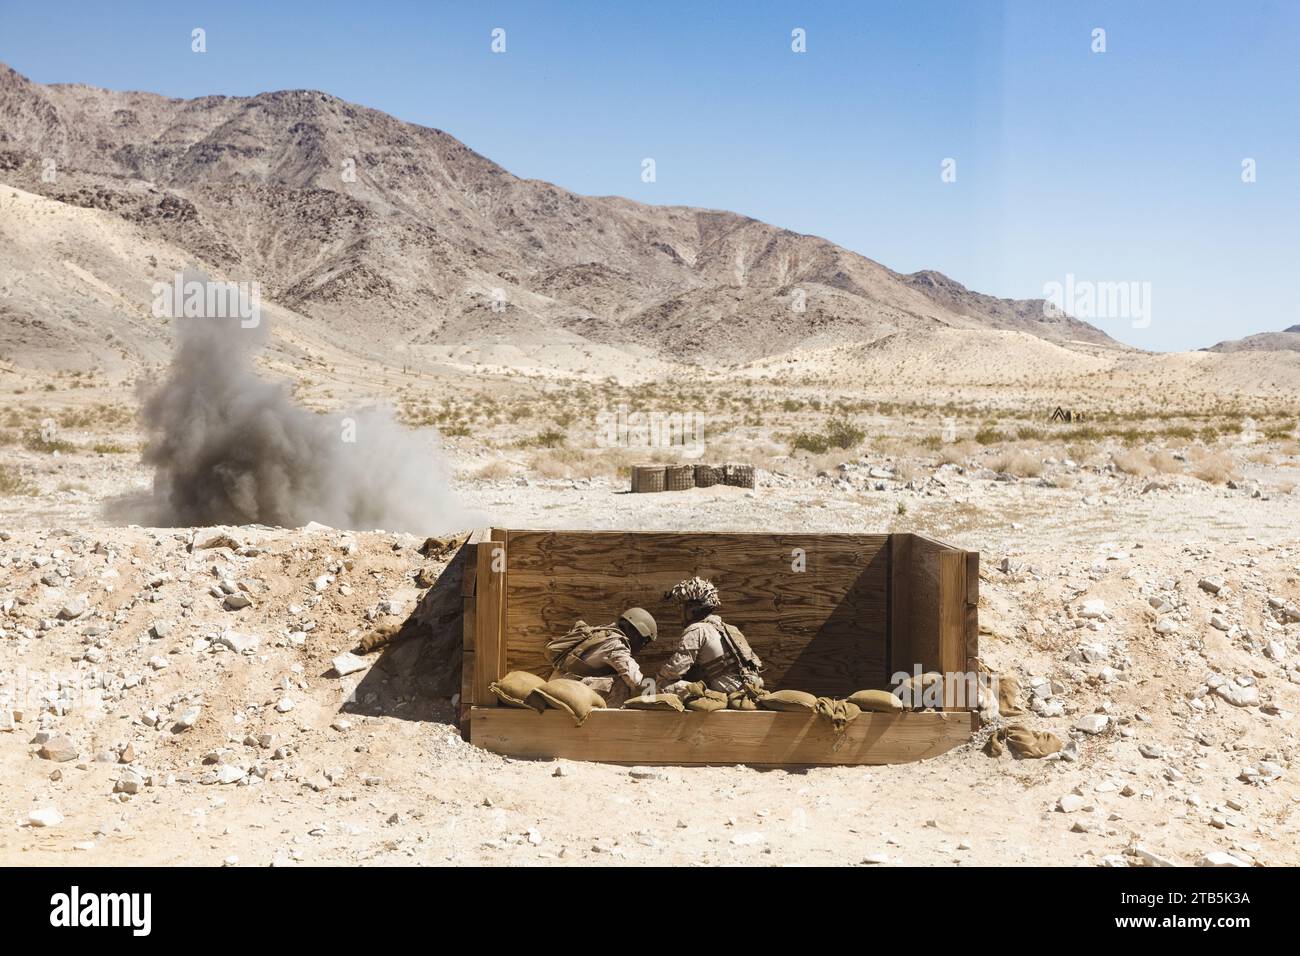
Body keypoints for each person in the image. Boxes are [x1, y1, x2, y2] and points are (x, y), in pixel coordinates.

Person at [656, 577, 763, 696]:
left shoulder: (697, 629)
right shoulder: (731, 629)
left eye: (683, 608)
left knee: (663, 685)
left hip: (728, 693)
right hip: (750, 690)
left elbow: (675, 669)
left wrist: (658, 678)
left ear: (692, 609)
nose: (681, 613)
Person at [545, 607, 657, 707]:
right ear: (636, 633)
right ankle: (610, 722)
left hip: (557, 686)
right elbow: (635, 680)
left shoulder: (601, 633)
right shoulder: (616, 645)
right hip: (566, 693)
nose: (642, 647)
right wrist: (655, 693)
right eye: (644, 642)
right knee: (622, 683)